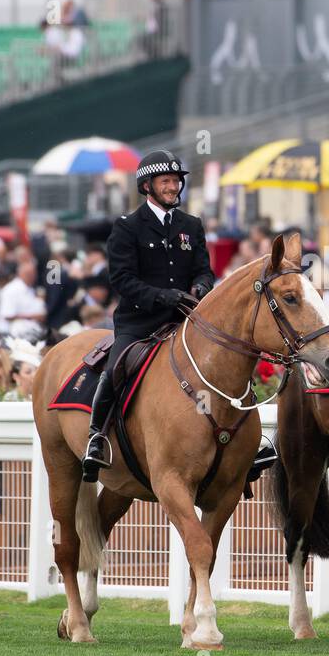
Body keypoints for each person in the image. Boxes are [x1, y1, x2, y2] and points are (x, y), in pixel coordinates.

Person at [82, 150, 215, 480]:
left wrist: (200, 286)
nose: (173, 187)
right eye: (166, 181)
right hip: (140, 321)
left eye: (176, 181)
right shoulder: (127, 227)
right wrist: (161, 296)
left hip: (185, 318)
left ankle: (246, 442)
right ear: (147, 186)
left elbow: (204, 271)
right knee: (114, 368)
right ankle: (97, 436)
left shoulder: (191, 225)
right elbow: (122, 280)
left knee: (223, 359)